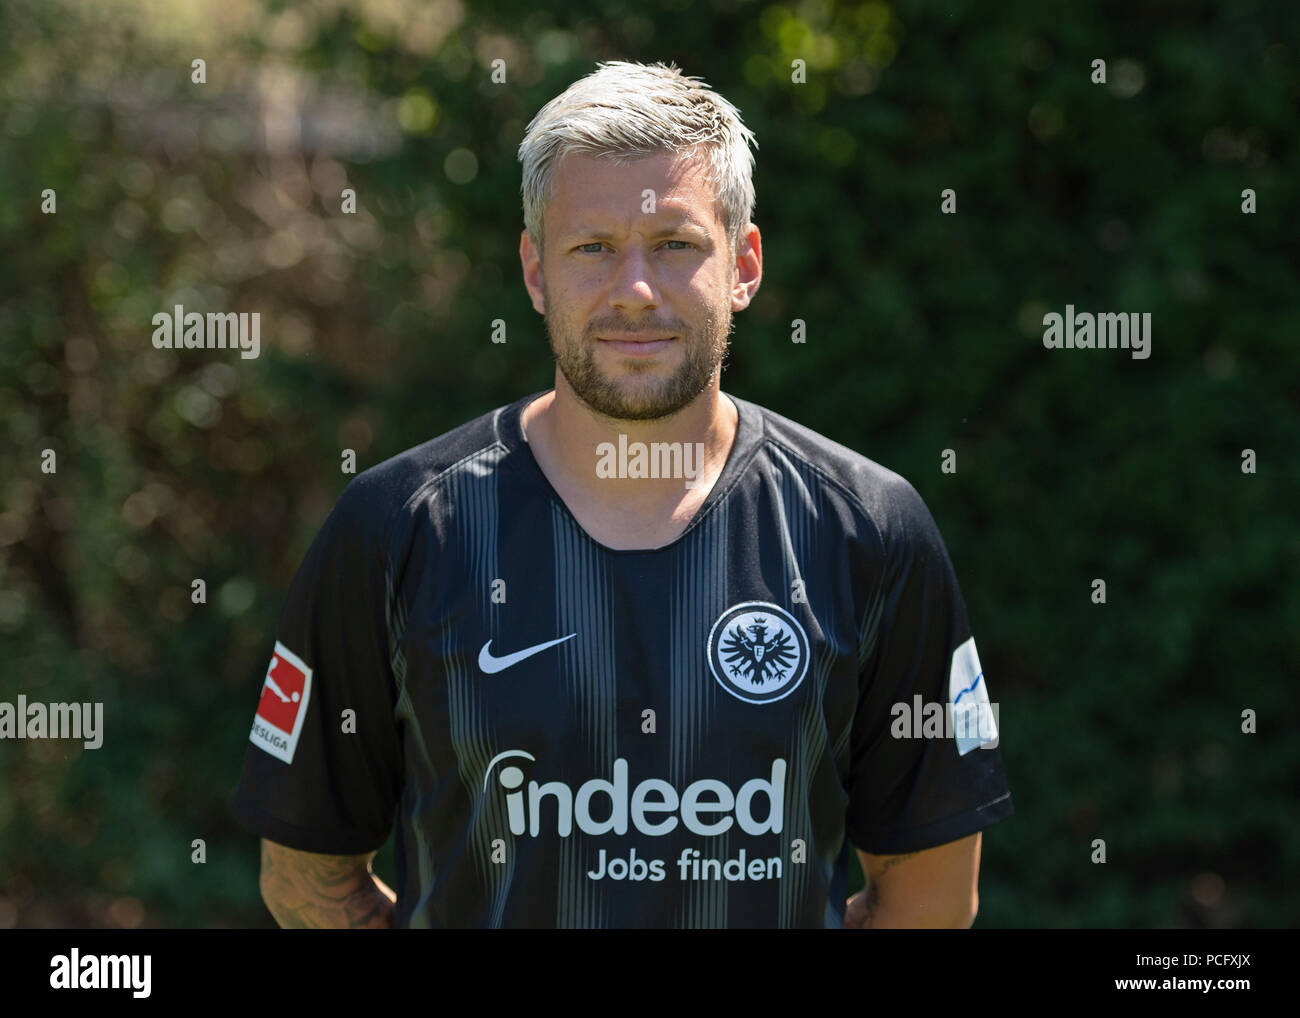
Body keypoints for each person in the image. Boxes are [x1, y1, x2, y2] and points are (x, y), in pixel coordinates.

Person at [230, 59, 1013, 929]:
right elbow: (306, 876)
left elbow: (933, 896)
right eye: (591, 248)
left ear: (744, 264)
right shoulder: (396, 529)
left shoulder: (868, 528)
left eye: (675, 245)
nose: (634, 291)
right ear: (535, 272)